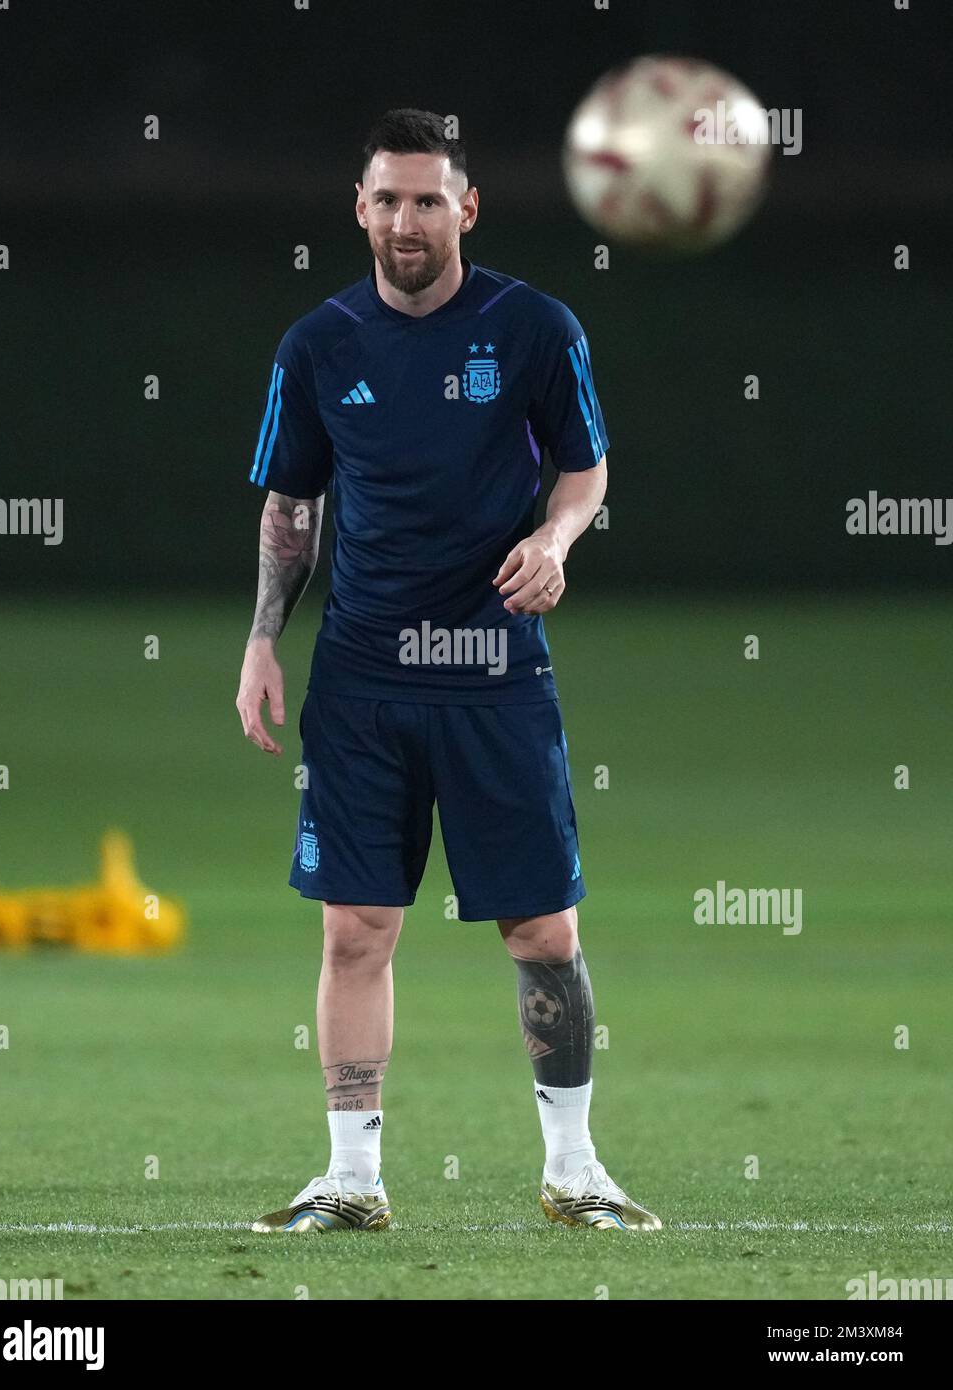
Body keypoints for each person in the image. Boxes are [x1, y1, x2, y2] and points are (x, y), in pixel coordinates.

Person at [236, 109, 661, 1234]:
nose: (407, 220)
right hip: (363, 680)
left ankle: (575, 1171)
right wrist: (262, 638)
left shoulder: (532, 328)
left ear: (466, 207)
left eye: (429, 199)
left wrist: (556, 543)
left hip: (494, 672)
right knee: (354, 930)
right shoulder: (316, 345)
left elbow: (584, 466)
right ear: (359, 209)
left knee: (542, 933)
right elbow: (292, 505)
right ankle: (351, 1178)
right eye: (387, 198)